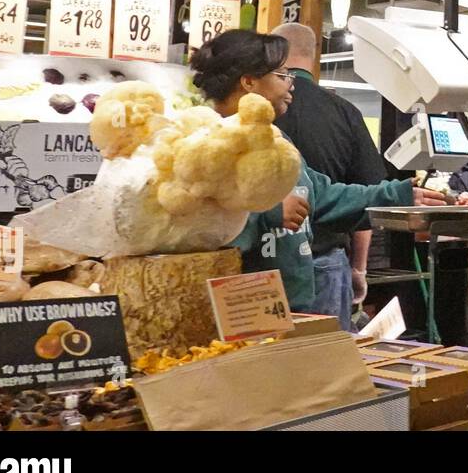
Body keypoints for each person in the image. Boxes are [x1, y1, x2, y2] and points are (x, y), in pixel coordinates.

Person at [189, 29, 445, 313]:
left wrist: (397, 196)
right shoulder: (206, 143)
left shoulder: (276, 140)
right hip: (242, 310)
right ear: (249, 81)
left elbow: (321, 196)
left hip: (293, 305)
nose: (292, 85)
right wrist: (267, 212)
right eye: (282, 75)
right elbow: (194, 223)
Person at [270, 22, 388, 331]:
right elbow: (364, 199)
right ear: (314, 54)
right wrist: (359, 269)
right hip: (325, 263)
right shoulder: (343, 111)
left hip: (262, 270)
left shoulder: (253, 117)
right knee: (330, 370)